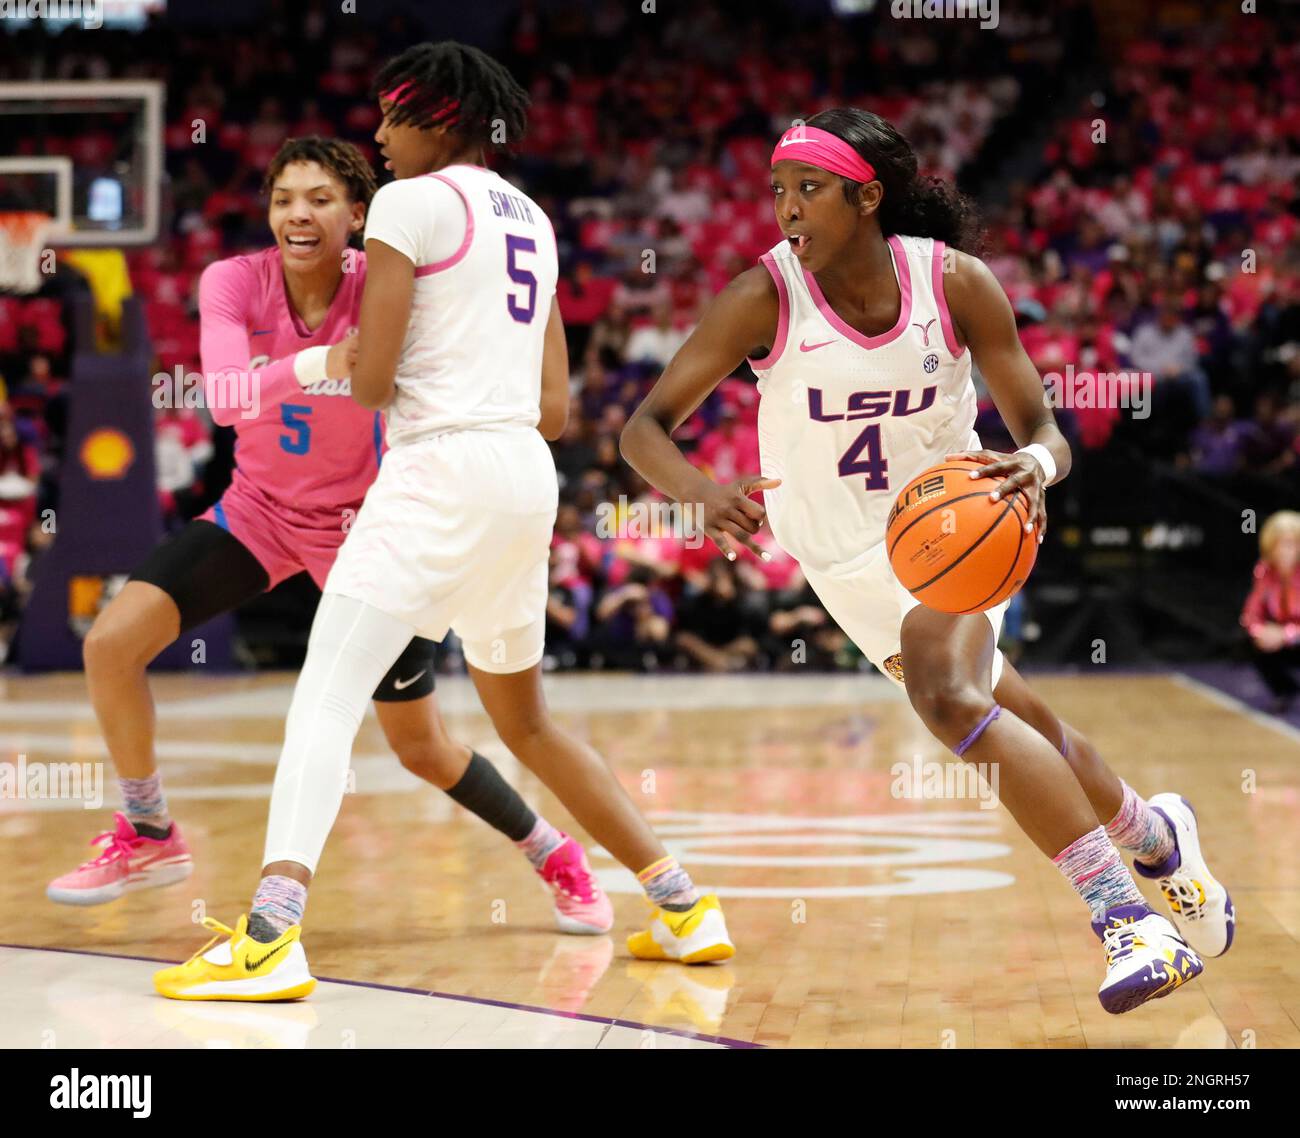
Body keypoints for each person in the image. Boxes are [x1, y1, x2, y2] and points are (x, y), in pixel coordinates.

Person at [155, 42, 733, 1003]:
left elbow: (374, 379)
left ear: (439, 115)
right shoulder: (535, 221)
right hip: (522, 473)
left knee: (325, 698)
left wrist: (328, 361)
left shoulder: (408, 204)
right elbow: (554, 410)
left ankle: (267, 938)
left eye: (391, 115)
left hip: (440, 471)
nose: (377, 136)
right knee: (529, 721)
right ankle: (682, 904)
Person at [621, 109, 1234, 1014]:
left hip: (959, 528)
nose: (788, 210)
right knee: (1017, 717)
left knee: (947, 696)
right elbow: (644, 429)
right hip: (838, 559)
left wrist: (1029, 467)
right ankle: (1153, 832)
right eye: (779, 192)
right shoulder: (764, 295)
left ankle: (1125, 923)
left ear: (868, 197)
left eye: (811, 190)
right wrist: (701, 493)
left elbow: (1046, 434)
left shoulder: (958, 284)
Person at [49, 137, 612, 937]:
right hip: (259, 512)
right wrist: (318, 365)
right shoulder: (233, 280)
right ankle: (148, 829)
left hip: (368, 529)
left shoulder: (387, 281)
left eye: (318, 199)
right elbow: (223, 400)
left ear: (359, 215)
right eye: (283, 199)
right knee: (111, 643)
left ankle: (552, 850)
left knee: (419, 745)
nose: (298, 214)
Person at [1240, 510, 1300, 713]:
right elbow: (1250, 614)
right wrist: (1261, 631)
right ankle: (1285, 690)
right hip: (1281, 638)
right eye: (1278, 544)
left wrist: (1286, 634)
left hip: (1294, 636)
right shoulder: (1264, 571)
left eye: (1290, 544)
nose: (1283, 551)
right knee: (1251, 643)